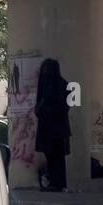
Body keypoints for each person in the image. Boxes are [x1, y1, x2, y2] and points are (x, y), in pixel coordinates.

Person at [34, 58, 71, 192]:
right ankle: (53, 182)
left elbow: (64, 107)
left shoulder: (61, 86)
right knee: (51, 156)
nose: (45, 77)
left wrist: (44, 107)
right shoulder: (52, 85)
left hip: (56, 129)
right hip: (49, 128)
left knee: (56, 156)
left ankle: (58, 182)